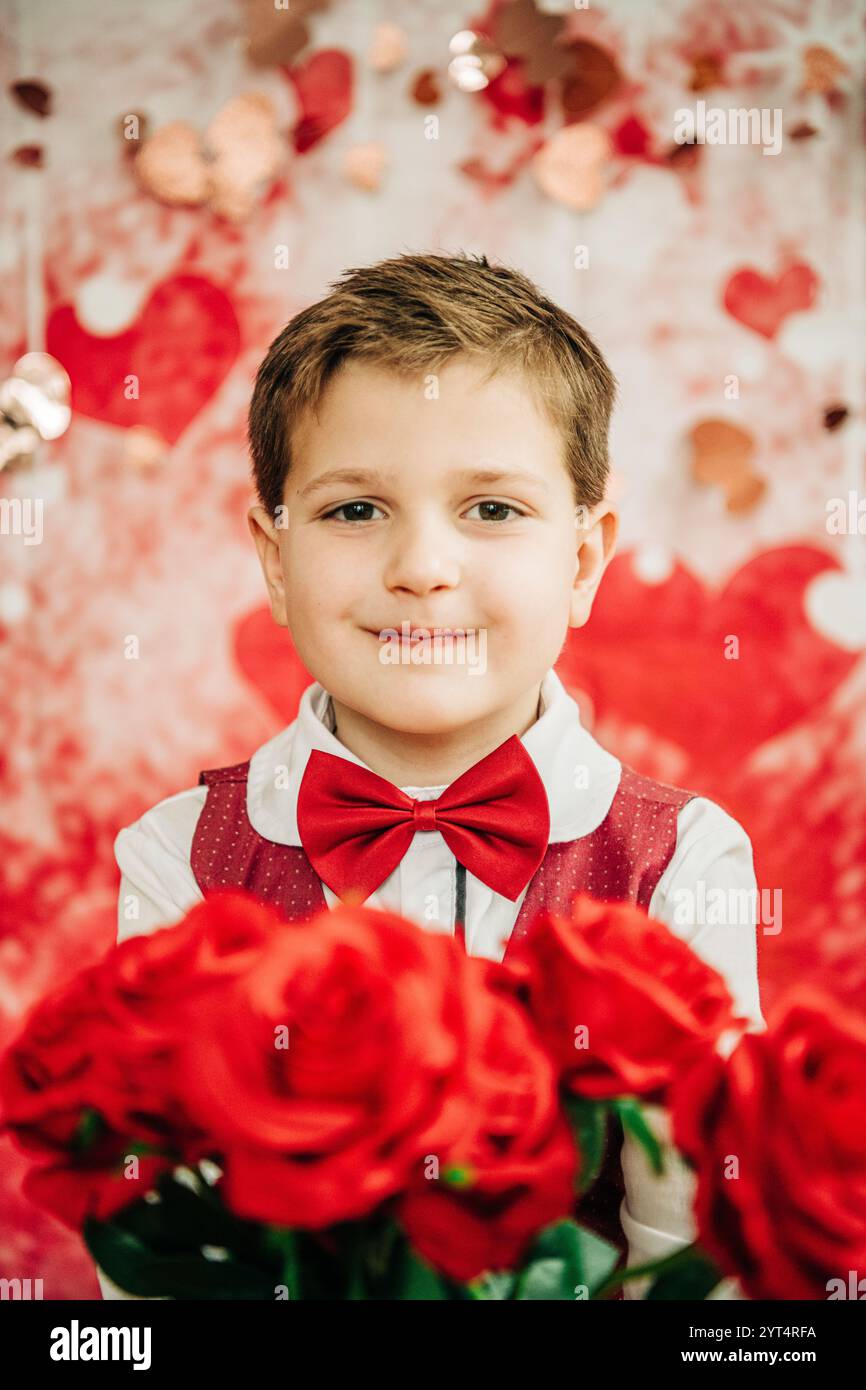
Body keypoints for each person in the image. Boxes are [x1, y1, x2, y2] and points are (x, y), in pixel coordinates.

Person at [98, 251, 763, 1301]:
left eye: (491, 509)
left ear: (584, 562)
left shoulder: (681, 861)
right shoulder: (177, 855)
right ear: (273, 559)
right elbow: (160, 1249)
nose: (422, 564)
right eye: (355, 509)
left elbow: (699, 1250)